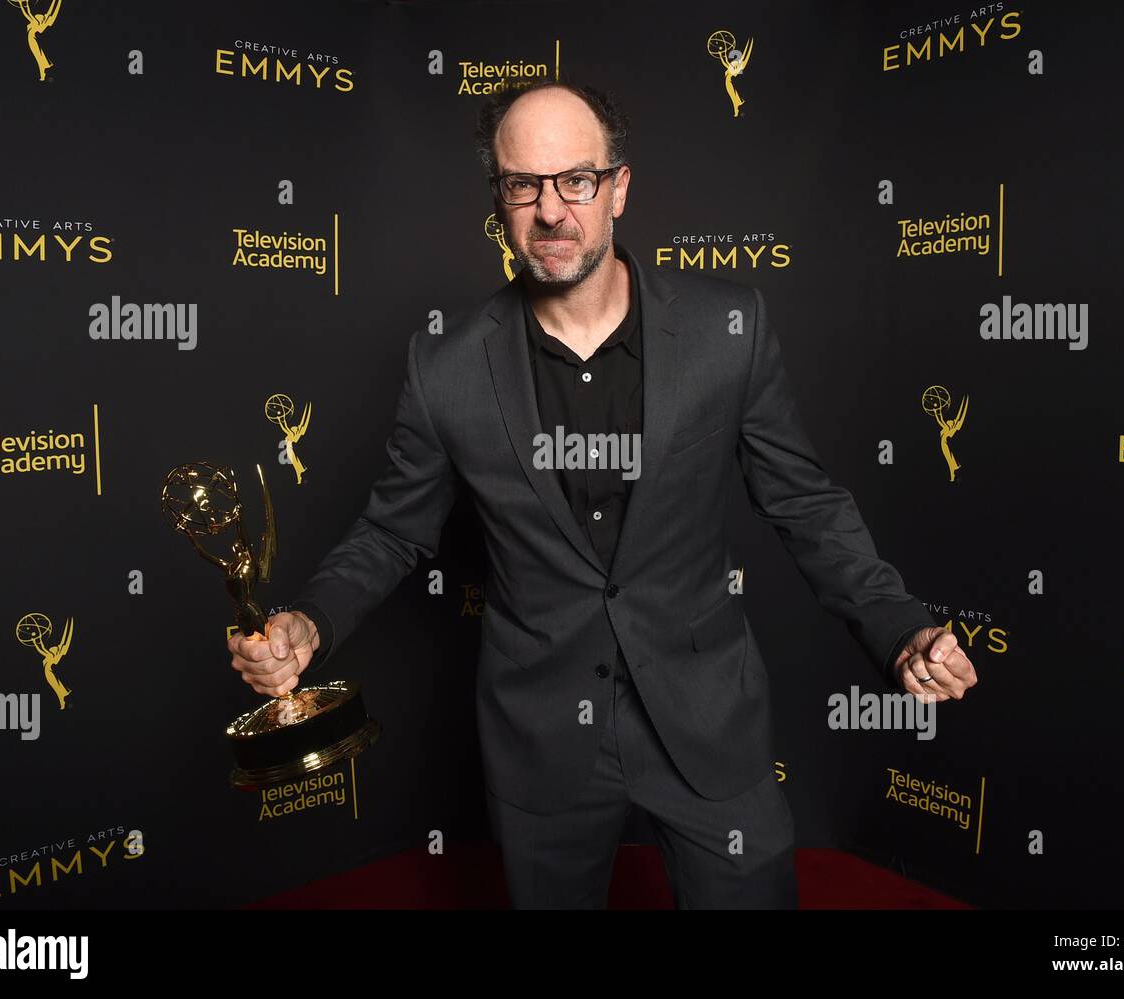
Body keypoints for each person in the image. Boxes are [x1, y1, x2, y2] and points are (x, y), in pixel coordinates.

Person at [226, 78, 978, 909]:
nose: (551, 210)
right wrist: (309, 623)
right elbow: (390, 531)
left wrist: (898, 624)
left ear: (618, 185)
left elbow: (804, 502)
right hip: (539, 733)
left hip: (706, 722)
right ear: (500, 198)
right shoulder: (442, 366)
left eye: (575, 179)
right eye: (524, 184)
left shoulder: (729, 330)